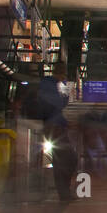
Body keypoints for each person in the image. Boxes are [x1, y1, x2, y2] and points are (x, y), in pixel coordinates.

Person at [38, 63, 77, 201]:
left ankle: (64, 192)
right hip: (53, 127)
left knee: (65, 160)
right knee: (68, 159)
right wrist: (66, 88)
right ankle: (64, 193)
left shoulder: (51, 84)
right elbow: (59, 105)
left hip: (56, 126)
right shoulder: (48, 84)